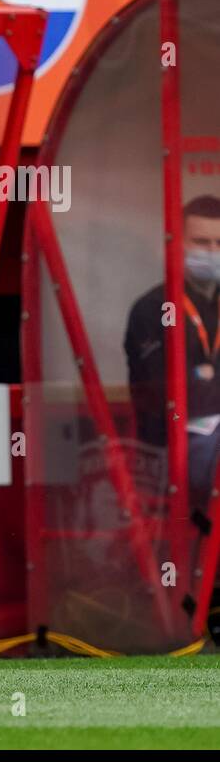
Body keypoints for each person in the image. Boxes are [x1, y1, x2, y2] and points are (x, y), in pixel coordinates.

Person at [125, 193, 220, 639]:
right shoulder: (152, 309)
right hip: (169, 446)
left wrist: (206, 378)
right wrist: (204, 382)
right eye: (201, 243)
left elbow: (203, 384)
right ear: (176, 243)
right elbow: (172, 394)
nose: (211, 253)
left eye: (219, 244)